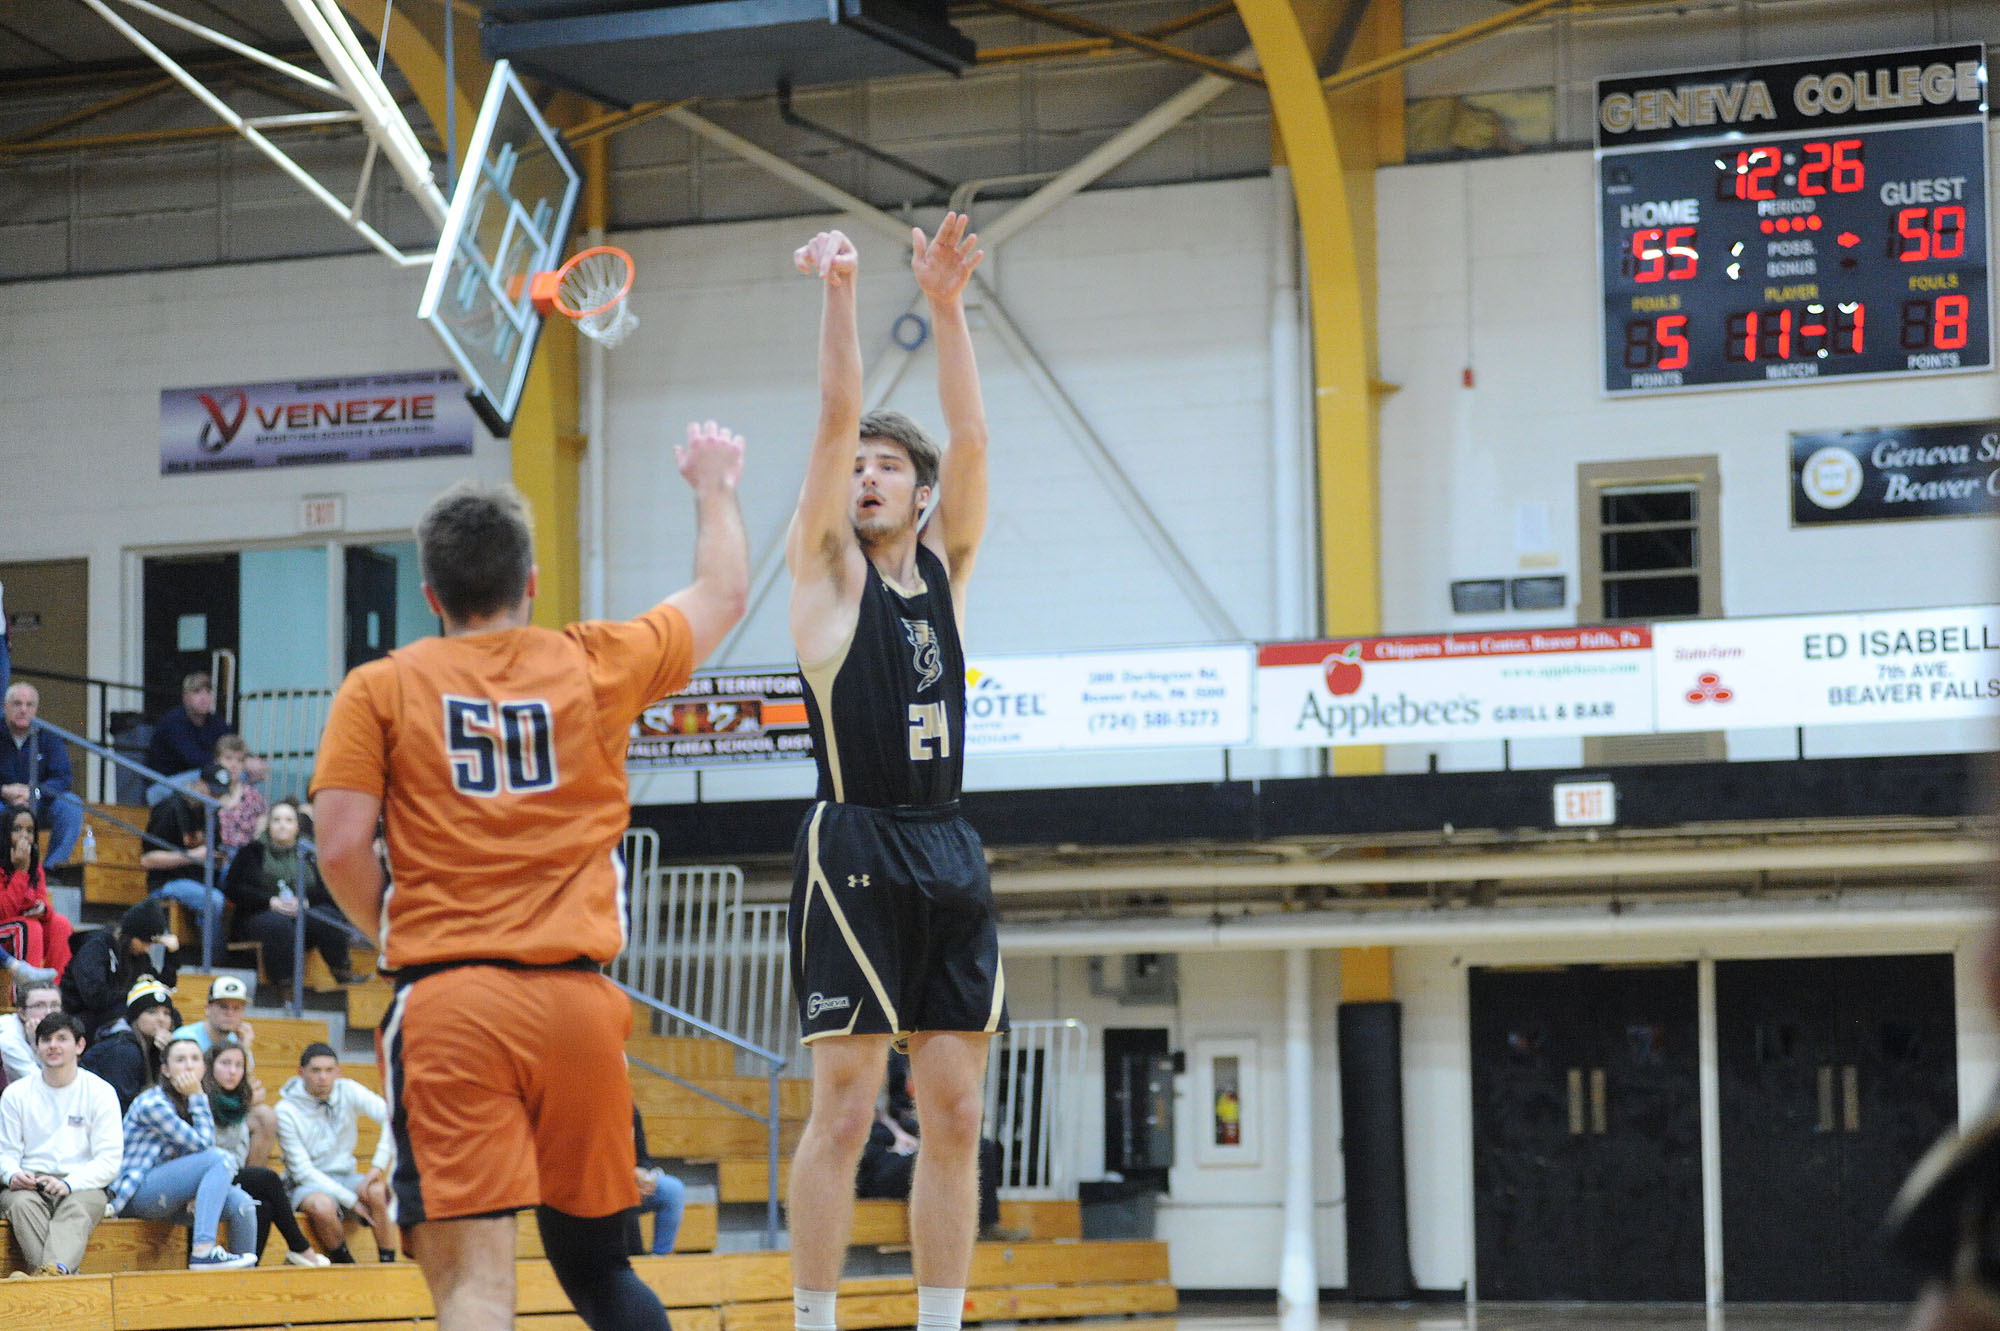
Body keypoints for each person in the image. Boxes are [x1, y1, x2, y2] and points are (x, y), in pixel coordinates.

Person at [310, 424, 750, 1331]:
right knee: (600, 1271)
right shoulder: (591, 661)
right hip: (578, 1006)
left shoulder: (380, 687)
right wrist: (714, 484)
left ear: (431, 594)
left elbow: (342, 846)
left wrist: (394, 921)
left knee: (477, 1286)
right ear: (532, 583)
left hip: (453, 1000)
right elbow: (723, 594)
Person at [782, 216, 1004, 1331]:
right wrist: (842, 287)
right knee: (846, 1105)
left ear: (920, 496)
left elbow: (970, 437)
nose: (865, 475)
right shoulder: (827, 572)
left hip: (947, 841)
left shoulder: (946, 570)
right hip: (855, 841)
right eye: (858, 468)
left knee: (955, 1112)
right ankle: (813, 1320)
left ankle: (940, 1320)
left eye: (887, 466)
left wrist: (948, 306)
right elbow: (834, 416)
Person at [110, 1036, 259, 1270]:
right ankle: (203, 1251)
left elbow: (198, 1156)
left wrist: (199, 1190)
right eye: (180, 1060)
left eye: (195, 1059)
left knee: (243, 1204)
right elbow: (204, 1147)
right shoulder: (153, 1103)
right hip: (136, 1192)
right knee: (221, 1158)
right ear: (166, 1070)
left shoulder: (191, 1100)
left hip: (172, 1192)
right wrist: (198, 1096)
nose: (189, 1066)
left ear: (203, 1068)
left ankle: (246, 1282)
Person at [0, 1011, 122, 1276]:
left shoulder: (101, 1092)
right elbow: (5, 1153)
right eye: (46, 1040)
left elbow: (109, 1160)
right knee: (20, 1204)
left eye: (61, 1039)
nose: (53, 1045)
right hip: (29, 1184)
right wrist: (13, 1174)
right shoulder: (15, 1094)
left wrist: (69, 1184)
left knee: (77, 1208)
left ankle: (44, 1279)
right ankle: (57, 1277)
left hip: (83, 1184)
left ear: (80, 1045)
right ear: (36, 1046)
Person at [854, 1052, 1017, 1241]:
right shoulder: (858, 1062)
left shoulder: (900, 1060)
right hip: (873, 1161)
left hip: (900, 1140)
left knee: (982, 1148)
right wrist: (895, 1136)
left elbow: (897, 1112)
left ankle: (985, 1226)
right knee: (935, 1161)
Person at [206, 1042, 328, 1266]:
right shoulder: (202, 1098)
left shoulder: (241, 1101)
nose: (232, 1071)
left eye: (239, 1065)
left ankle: (250, 1268)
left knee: (263, 1205)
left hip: (231, 1174)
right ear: (210, 1066)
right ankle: (300, 1247)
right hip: (207, 1177)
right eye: (225, 1064)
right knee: (268, 1178)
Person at [276, 1043, 395, 1264]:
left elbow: (391, 1116)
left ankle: (389, 1263)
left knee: (378, 1191)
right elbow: (303, 1172)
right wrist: (351, 1201)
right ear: (301, 1072)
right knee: (321, 1206)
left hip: (346, 1176)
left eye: (329, 1070)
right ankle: (346, 1264)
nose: (323, 1077)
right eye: (316, 1070)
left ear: (338, 1072)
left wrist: (378, 1166)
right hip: (307, 1183)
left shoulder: (348, 1090)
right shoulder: (285, 1110)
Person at [223, 798, 358, 986]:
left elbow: (329, 890)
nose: (282, 825)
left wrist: (305, 902)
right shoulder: (252, 851)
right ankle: (286, 984)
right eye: (276, 820)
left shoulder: (311, 852)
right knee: (279, 924)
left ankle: (342, 972)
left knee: (327, 917)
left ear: (297, 826)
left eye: (288, 820)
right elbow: (234, 888)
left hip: (301, 912)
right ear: (269, 825)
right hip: (258, 915)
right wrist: (270, 902)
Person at [172, 975, 278, 1164]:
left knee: (265, 1117)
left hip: (224, 1111)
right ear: (207, 1008)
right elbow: (181, 1091)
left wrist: (245, 1048)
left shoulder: (238, 1042)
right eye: (223, 1007)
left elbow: (249, 1090)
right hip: (192, 1111)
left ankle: (250, 1178)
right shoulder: (186, 1038)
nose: (230, 1014)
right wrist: (244, 1100)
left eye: (237, 1008)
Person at [61, 901, 177, 1039]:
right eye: (144, 942)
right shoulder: (95, 948)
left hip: (111, 1012)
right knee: (131, 1012)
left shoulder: (137, 954)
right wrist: (135, 993)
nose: (147, 949)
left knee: (172, 1014)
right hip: (81, 1015)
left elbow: (162, 986)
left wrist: (172, 954)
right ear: (131, 935)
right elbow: (95, 997)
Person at [139, 762, 232, 934]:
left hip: (201, 880)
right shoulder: (170, 808)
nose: (215, 798)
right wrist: (191, 855)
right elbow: (147, 860)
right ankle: (213, 951)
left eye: (220, 794)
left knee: (240, 883)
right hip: (166, 883)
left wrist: (219, 859)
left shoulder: (212, 813)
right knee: (214, 900)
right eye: (212, 791)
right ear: (199, 784)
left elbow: (212, 854)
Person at [0, 683, 82, 871]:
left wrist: (34, 793)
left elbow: (63, 778)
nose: (23, 710)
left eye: (29, 705)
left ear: (36, 709)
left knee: (71, 806)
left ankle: (51, 870)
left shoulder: (49, 736)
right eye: (17, 703)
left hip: (39, 803)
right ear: (5, 706)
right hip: (4, 803)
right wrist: (4, 790)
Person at [79, 976, 180, 1113]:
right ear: (136, 1017)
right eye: (151, 1012)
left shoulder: (156, 1047)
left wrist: (170, 1054)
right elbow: (121, 1108)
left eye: (166, 1013)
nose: (161, 1019)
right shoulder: (123, 1049)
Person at [1, 806, 73, 977]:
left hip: (22, 931)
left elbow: (42, 901)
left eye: (30, 831)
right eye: (17, 829)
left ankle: (55, 986)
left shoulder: (34, 865)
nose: (24, 836)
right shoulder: (18, 866)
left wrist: (43, 909)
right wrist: (21, 872)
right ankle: (28, 990)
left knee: (60, 924)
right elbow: (3, 913)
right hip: (5, 933)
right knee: (30, 927)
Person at [144, 673, 230, 805]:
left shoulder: (215, 721)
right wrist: (227, 763)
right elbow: (195, 758)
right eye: (197, 692)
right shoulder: (173, 722)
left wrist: (248, 760)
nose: (204, 698)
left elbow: (233, 744)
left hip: (194, 779)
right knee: (222, 772)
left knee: (245, 771)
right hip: (162, 786)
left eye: (208, 692)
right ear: (185, 697)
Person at [627, 1106, 684, 1258]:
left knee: (672, 1190)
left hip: (630, 1183)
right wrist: (628, 1175)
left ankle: (659, 1257)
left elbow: (642, 1158)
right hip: (602, 1186)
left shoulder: (630, 1109)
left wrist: (644, 1175)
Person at [211, 735, 268, 870]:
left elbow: (260, 834)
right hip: (210, 860)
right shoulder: (206, 794)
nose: (234, 765)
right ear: (217, 761)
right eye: (228, 758)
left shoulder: (254, 797)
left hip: (242, 863)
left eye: (239, 760)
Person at [0, 982, 60, 1083]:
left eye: (54, 1005)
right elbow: (43, 1083)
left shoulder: (63, 1032)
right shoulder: (8, 1040)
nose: (49, 1012)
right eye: (39, 1006)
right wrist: (36, 1044)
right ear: (22, 1013)